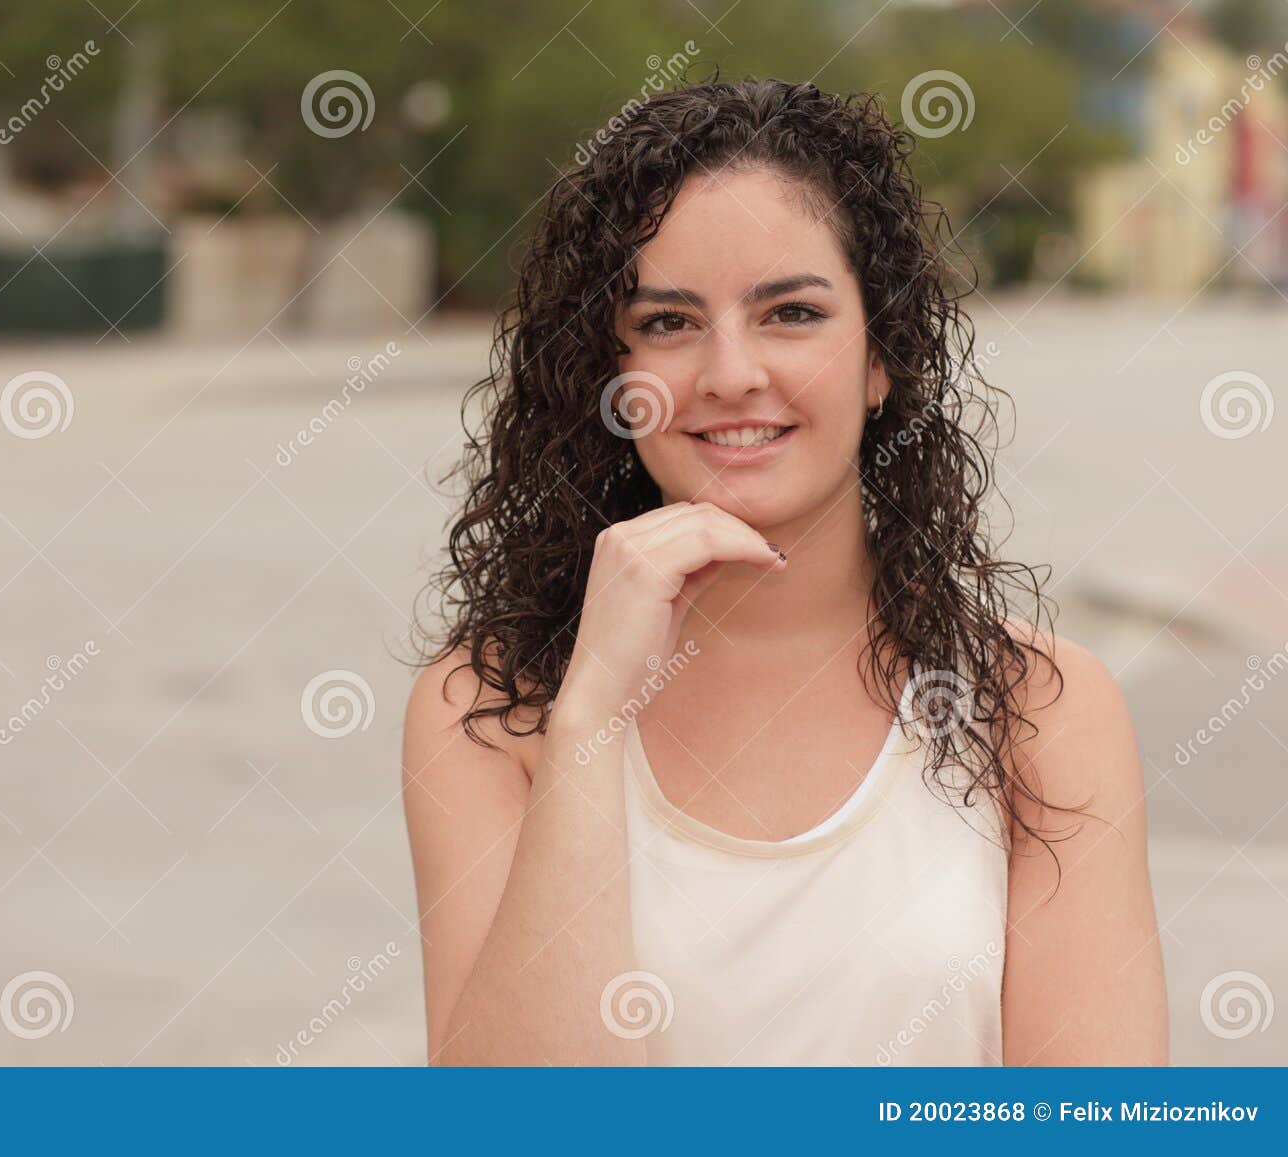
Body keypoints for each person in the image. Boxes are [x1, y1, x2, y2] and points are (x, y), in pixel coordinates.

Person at [401, 76, 1168, 1066]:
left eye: (791, 313)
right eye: (669, 323)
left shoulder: (1042, 713)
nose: (729, 374)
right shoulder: (488, 709)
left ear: (880, 356)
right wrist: (589, 718)